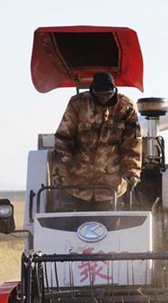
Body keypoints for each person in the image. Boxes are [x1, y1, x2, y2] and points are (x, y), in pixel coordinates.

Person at [52, 72, 142, 211]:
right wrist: (59, 171)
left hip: (111, 186)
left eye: (108, 94)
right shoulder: (78, 104)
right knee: (77, 223)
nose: (104, 98)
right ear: (92, 90)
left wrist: (132, 172)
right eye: (100, 95)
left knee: (109, 223)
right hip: (78, 183)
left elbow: (132, 143)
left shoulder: (126, 107)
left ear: (114, 90)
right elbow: (64, 139)